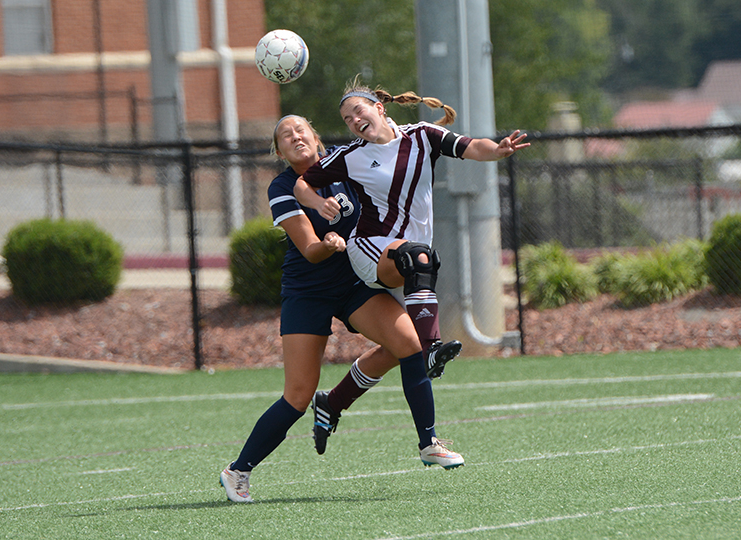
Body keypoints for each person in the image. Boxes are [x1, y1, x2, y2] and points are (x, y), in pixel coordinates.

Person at [220, 115, 464, 504]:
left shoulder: (346, 161)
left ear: (316, 138)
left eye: (301, 130)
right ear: (279, 151)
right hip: (308, 290)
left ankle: (427, 441)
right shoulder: (283, 186)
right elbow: (309, 249)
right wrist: (328, 243)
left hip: (354, 282)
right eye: (285, 135)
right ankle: (239, 470)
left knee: (410, 345)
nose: (295, 136)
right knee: (298, 395)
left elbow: (390, 152)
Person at [295, 77, 529, 377]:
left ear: (379, 109)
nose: (354, 121)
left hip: (410, 255)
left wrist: (497, 149)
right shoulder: (351, 156)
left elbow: (471, 146)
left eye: (358, 111)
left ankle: (332, 402)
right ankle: (432, 349)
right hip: (370, 246)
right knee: (418, 257)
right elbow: (302, 185)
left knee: (397, 349)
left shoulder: (422, 136)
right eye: (347, 119)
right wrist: (316, 203)